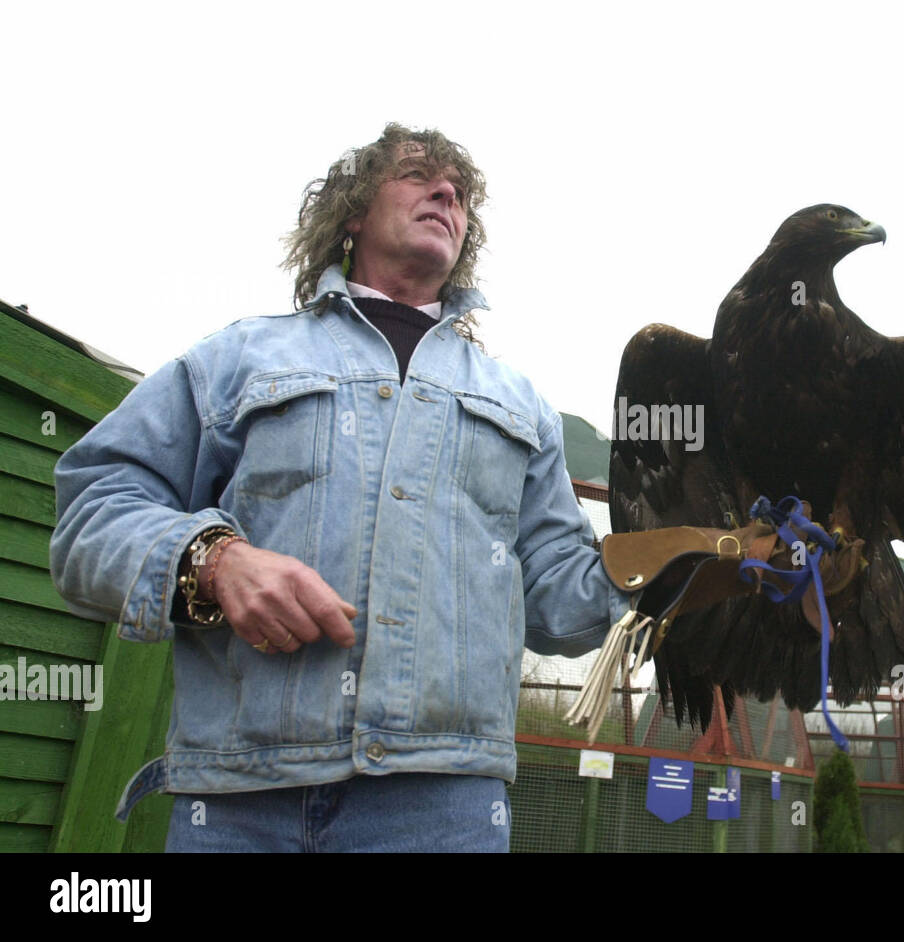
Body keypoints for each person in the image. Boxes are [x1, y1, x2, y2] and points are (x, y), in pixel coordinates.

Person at [49, 123, 635, 852]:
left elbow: (557, 607)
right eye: (419, 176)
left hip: (442, 809)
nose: (446, 194)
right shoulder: (237, 359)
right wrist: (213, 560)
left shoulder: (522, 407)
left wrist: (674, 558)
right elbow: (89, 511)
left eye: (458, 194)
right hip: (237, 802)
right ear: (353, 214)